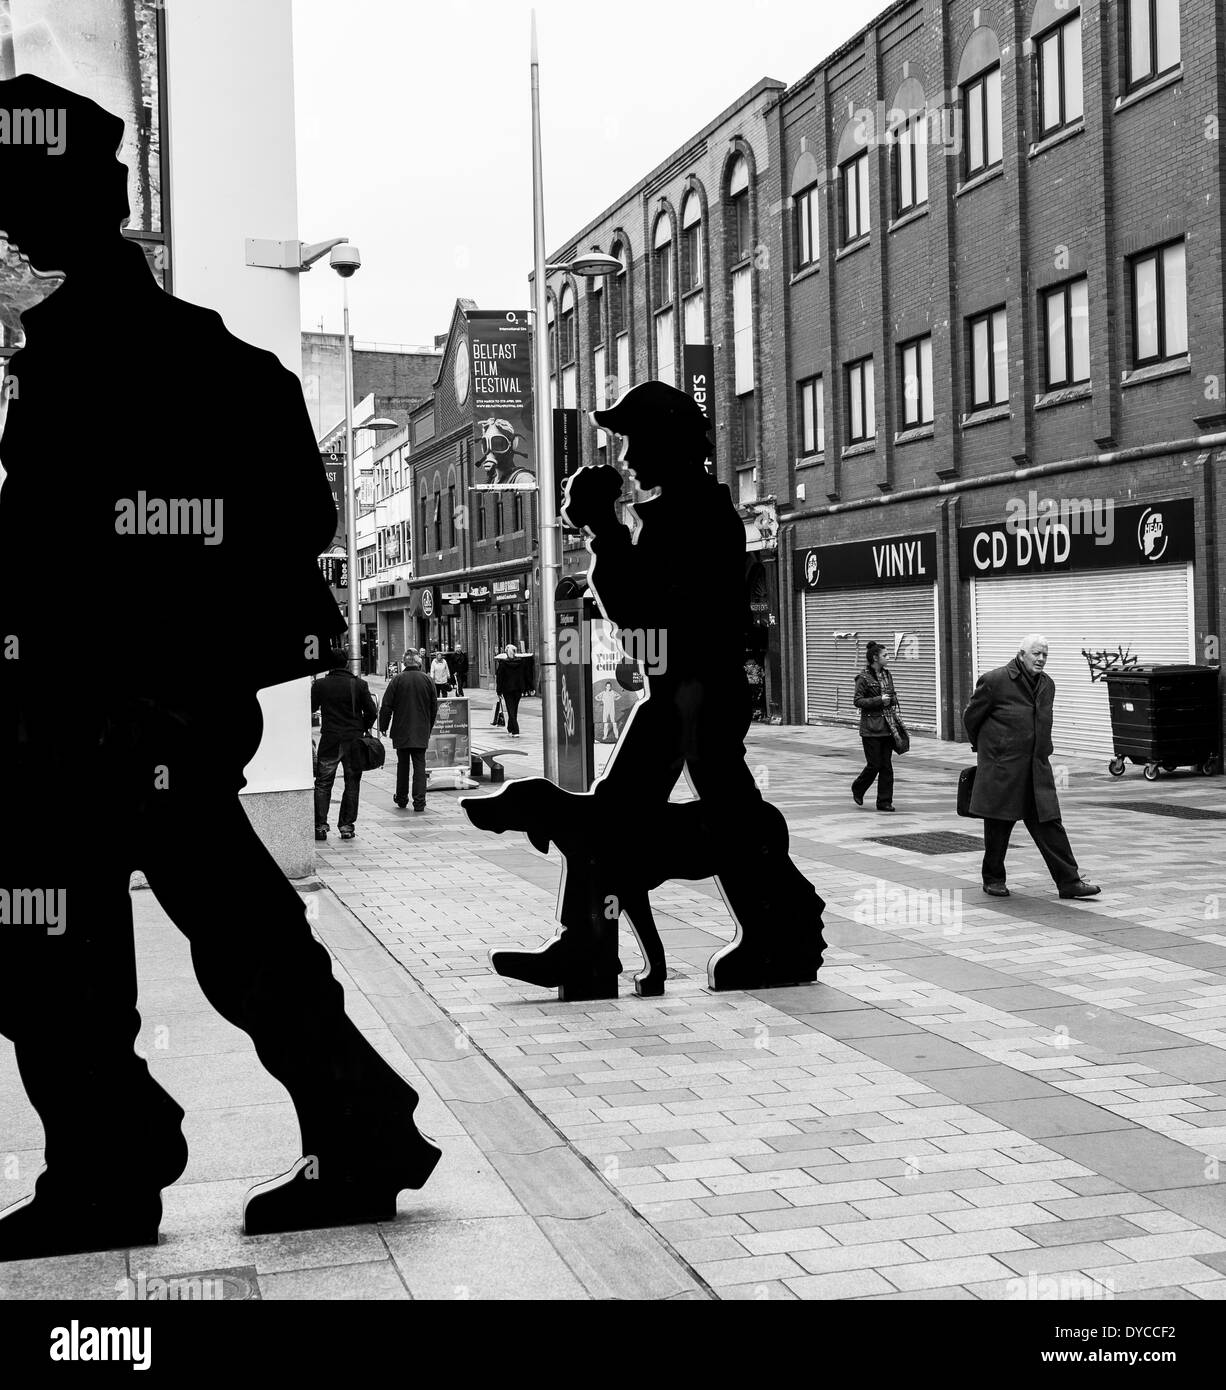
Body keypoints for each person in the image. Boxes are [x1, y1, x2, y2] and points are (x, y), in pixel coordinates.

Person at [0, 77, 438, 1260]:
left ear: (93, 196)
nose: (8, 218)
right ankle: (340, 1127)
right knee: (209, 931)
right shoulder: (109, 345)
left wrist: (147, 648)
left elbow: (273, 517)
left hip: (119, 715)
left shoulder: (149, 354)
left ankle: (121, 1157)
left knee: (72, 934)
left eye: (24, 189)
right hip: (114, 710)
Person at [465, 380, 826, 996]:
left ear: (668, 441)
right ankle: (591, 949)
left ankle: (783, 932)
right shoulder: (676, 515)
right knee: (618, 821)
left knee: (722, 822)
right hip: (678, 694)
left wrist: (605, 533)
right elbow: (644, 615)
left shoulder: (698, 518)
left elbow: (647, 616)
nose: (627, 456)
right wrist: (609, 536)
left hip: (696, 696)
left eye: (634, 439)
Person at [963, 633, 1101, 901]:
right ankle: (993, 879)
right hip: (1003, 770)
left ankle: (1069, 882)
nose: (1041, 659)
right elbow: (971, 718)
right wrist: (990, 752)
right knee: (998, 827)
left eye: (1045, 655)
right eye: (1036, 654)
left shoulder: (1047, 684)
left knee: (1051, 825)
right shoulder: (995, 681)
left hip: (1036, 770)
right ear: (1021, 654)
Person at [311, 648, 378, 841]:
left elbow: (311, 707)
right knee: (352, 783)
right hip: (354, 741)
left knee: (323, 783)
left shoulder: (320, 685)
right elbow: (372, 712)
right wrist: (362, 727)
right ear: (347, 663)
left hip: (330, 740)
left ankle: (320, 826)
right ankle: (346, 826)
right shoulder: (359, 685)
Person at [380, 654, 439, 813]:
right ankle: (419, 802)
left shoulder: (397, 680)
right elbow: (434, 706)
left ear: (404, 663)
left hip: (401, 729)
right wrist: (428, 726)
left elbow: (386, 705)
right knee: (420, 766)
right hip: (421, 730)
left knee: (403, 765)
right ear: (419, 664)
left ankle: (401, 798)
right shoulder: (427, 680)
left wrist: (383, 725)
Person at [851, 641, 899, 813]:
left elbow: (892, 695)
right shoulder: (863, 678)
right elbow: (857, 701)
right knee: (874, 764)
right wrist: (879, 700)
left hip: (888, 726)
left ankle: (884, 801)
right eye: (885, 655)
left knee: (886, 766)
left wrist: (891, 699)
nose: (888, 658)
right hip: (871, 728)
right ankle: (858, 787)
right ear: (875, 658)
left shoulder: (887, 675)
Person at [496, 642, 529, 737]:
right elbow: (525, 675)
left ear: (507, 652)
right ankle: (510, 727)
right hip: (518, 689)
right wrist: (527, 687)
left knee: (511, 709)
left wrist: (499, 691)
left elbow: (499, 678)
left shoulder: (503, 664)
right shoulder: (521, 662)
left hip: (507, 689)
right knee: (514, 708)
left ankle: (515, 730)